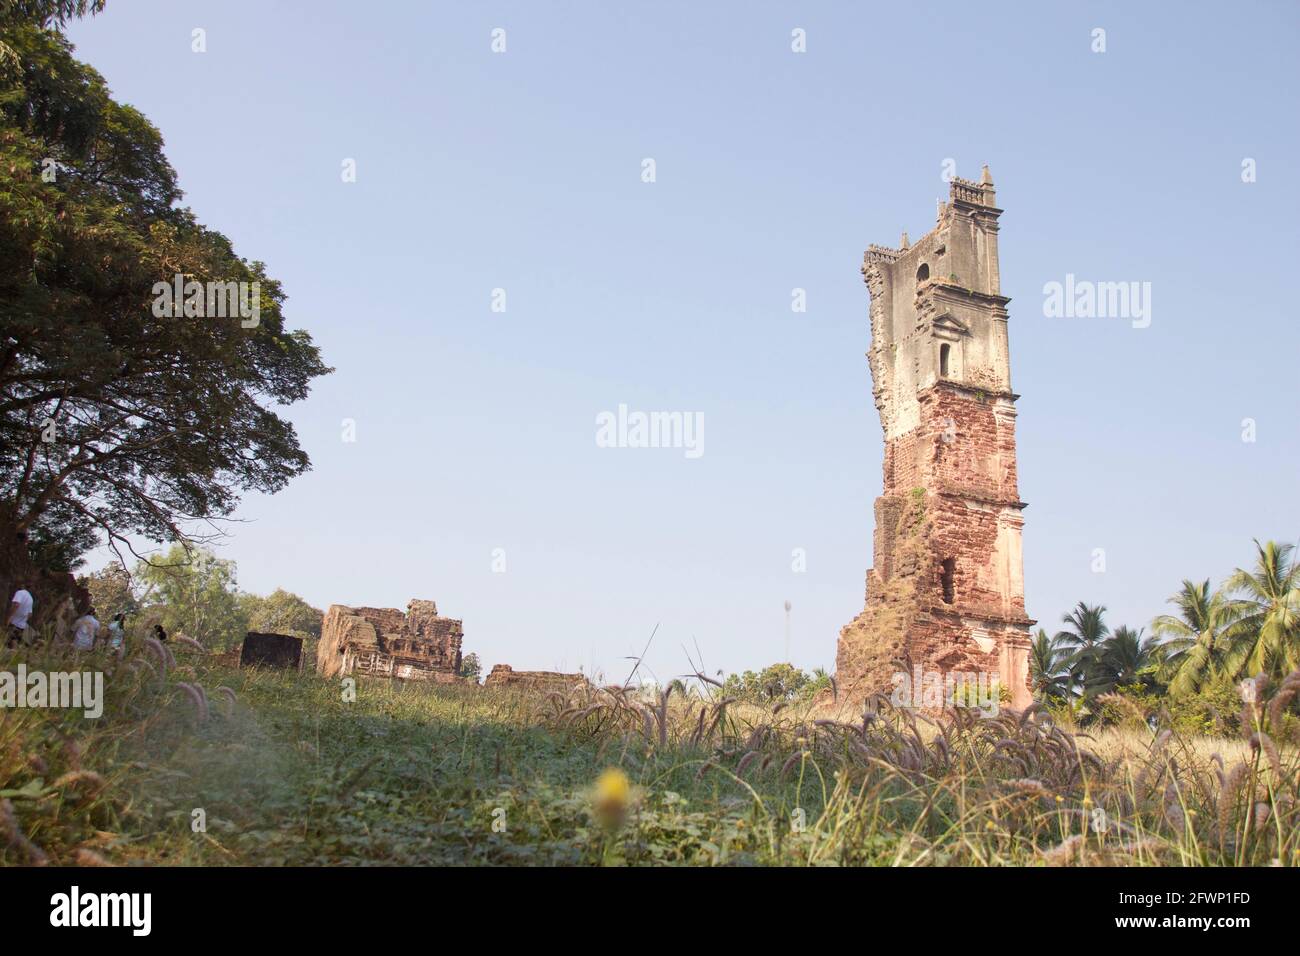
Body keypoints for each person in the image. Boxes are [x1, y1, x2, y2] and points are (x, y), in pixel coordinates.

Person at [6, 582, 33, 648]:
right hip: (22, 626)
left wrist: (10, 617)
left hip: (14, 622)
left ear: (23, 586)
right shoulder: (30, 598)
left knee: (10, 643)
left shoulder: (20, 593)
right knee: (15, 644)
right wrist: (23, 619)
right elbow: (30, 614)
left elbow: (16, 604)